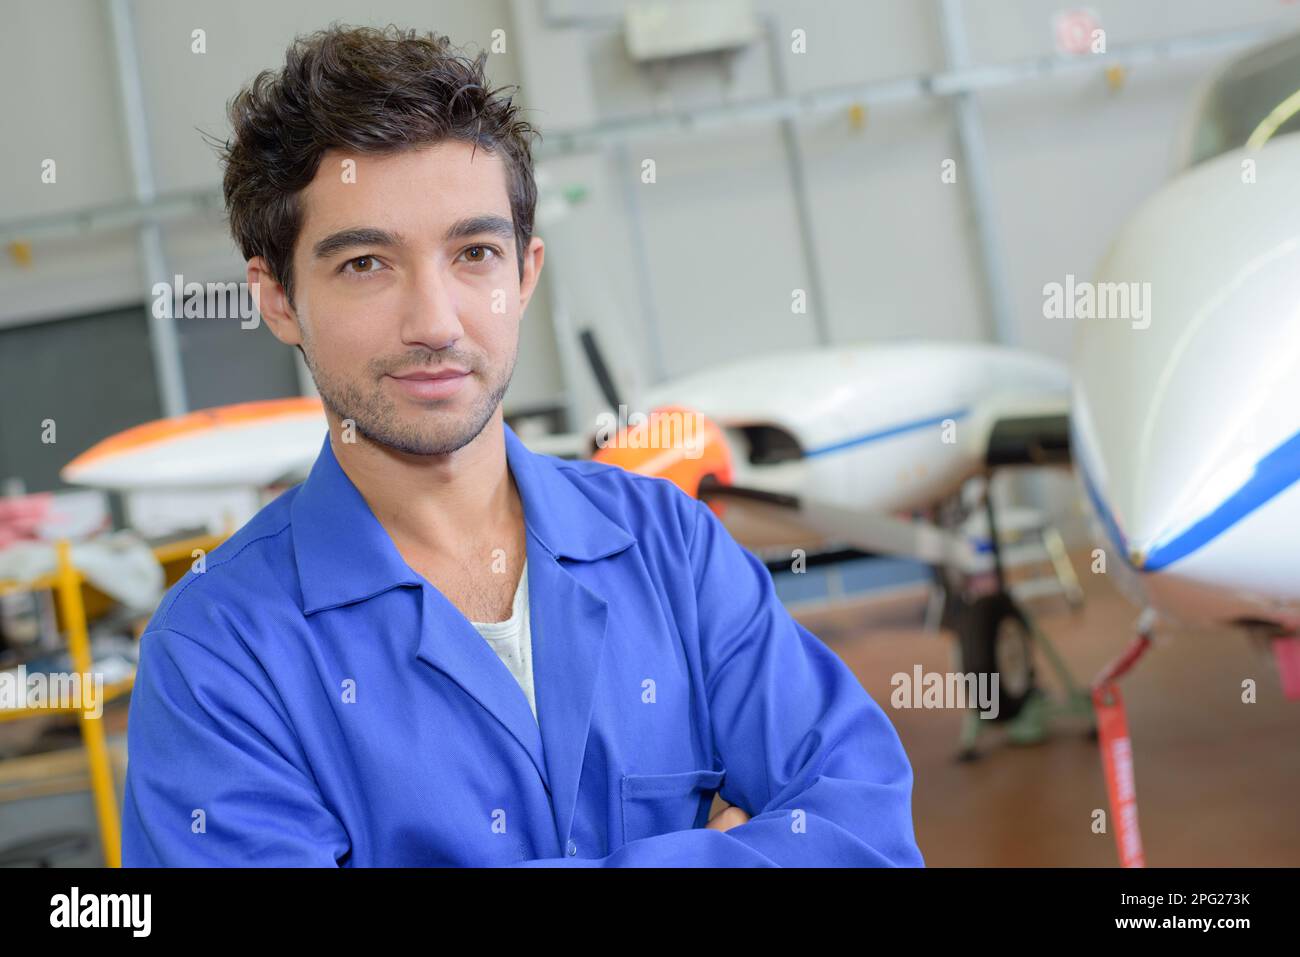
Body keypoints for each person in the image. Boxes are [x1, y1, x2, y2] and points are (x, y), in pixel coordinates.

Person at [120, 23, 924, 867]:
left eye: (474, 253)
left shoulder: (669, 547)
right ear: (278, 298)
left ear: (525, 273)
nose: (435, 323)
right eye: (364, 263)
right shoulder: (217, 656)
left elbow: (861, 826)